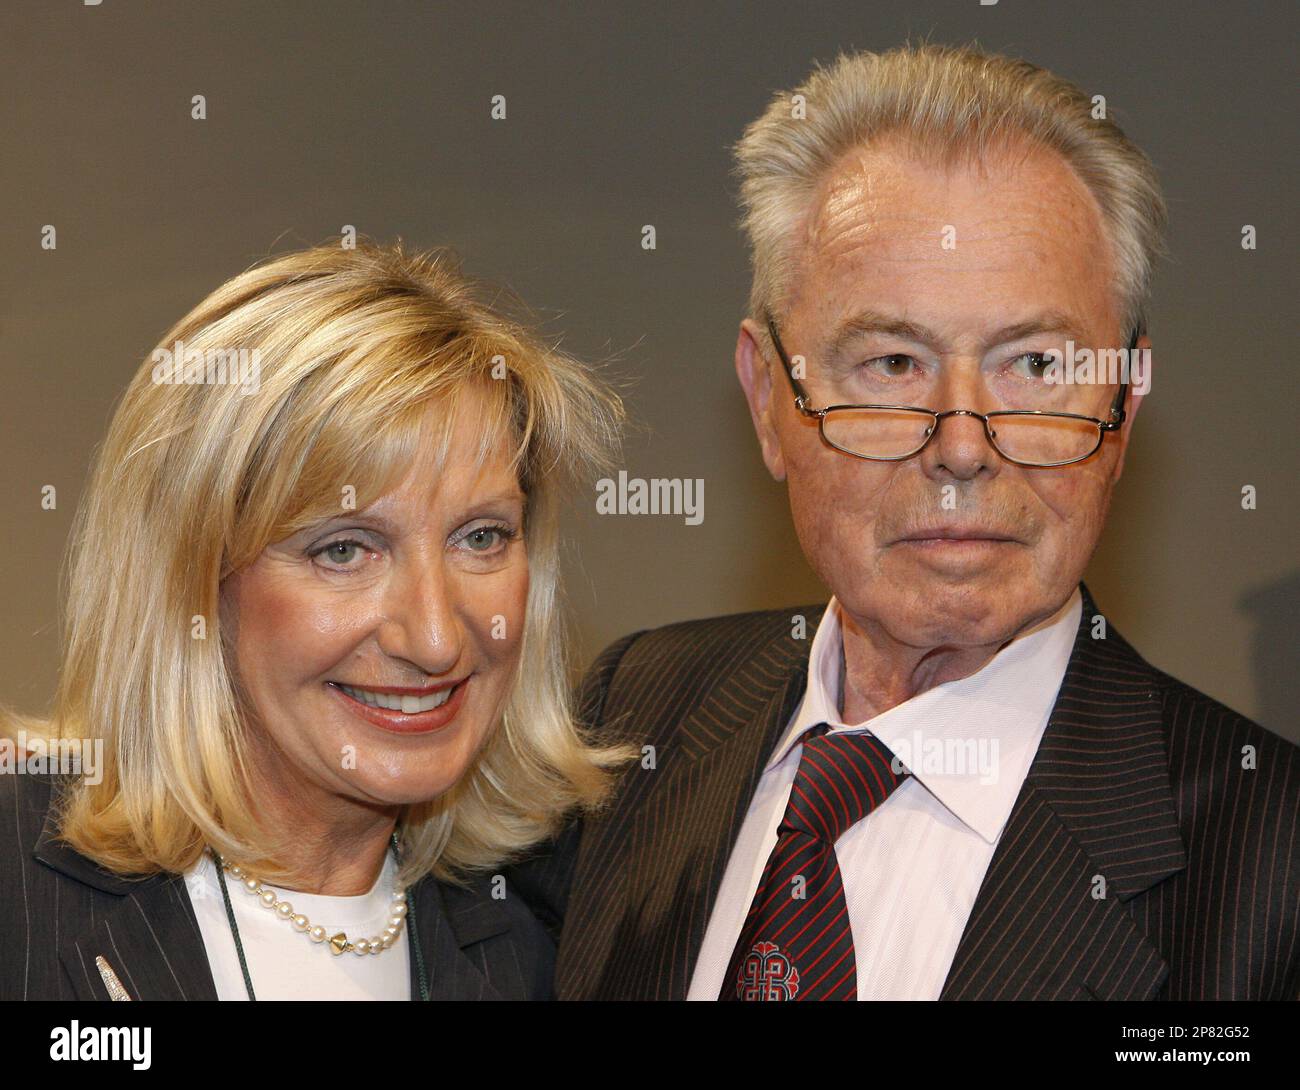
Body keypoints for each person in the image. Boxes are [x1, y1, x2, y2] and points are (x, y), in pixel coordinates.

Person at [544, 43, 1300, 1000]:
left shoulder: (1272, 871)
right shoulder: (631, 718)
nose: (961, 448)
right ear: (768, 399)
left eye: (1035, 366)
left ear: (1126, 409)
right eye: (893, 364)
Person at [0, 240, 629, 1000]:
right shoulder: (21, 884)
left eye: (482, 537)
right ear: (192, 583)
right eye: (344, 550)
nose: (434, 638)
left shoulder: (540, 949)